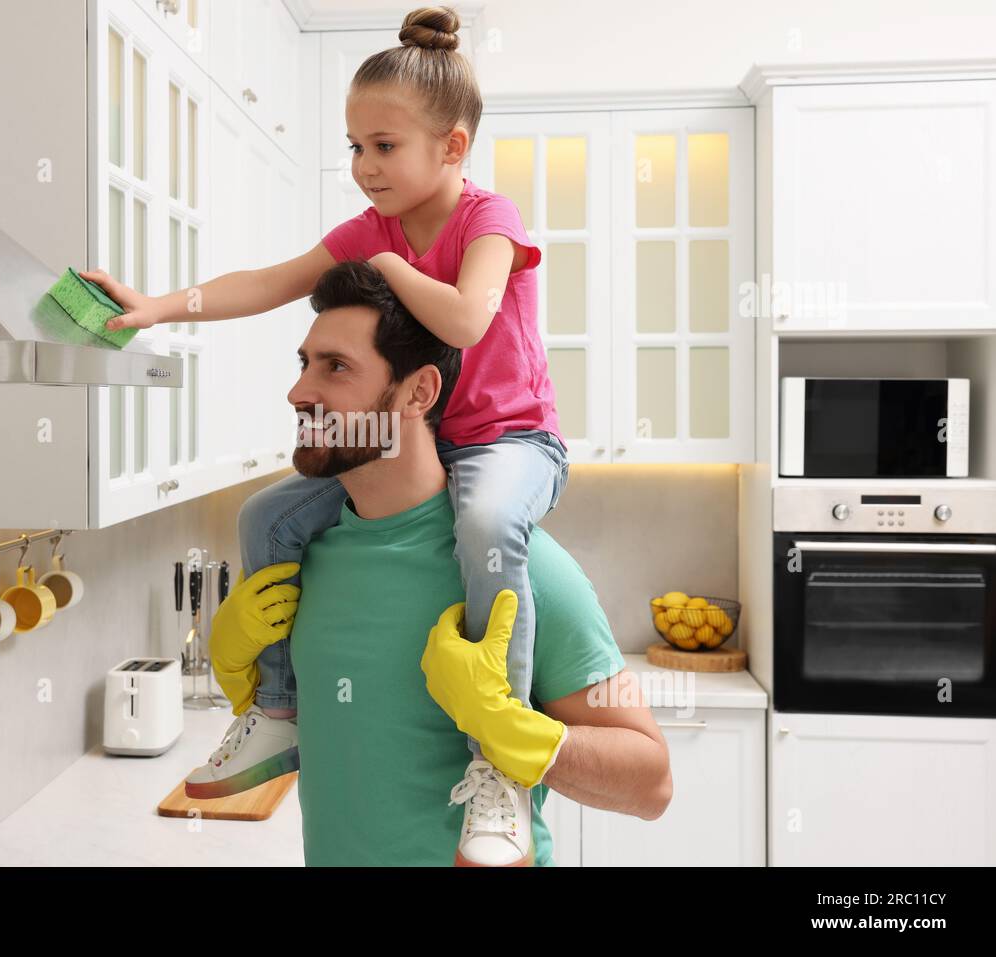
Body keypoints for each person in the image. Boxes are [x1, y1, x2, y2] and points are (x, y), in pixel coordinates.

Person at [78, 5, 568, 864]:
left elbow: (463, 321)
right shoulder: (369, 229)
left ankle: (501, 769)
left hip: (510, 441)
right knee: (266, 518)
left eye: (384, 146)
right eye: (353, 146)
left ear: (452, 148)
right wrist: (158, 307)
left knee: (489, 527)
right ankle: (277, 710)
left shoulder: (485, 219)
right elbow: (268, 282)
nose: (363, 167)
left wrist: (386, 266)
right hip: (434, 439)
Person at [202, 258, 670, 865]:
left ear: (418, 392)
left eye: (336, 367)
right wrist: (252, 689)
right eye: (305, 363)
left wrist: (522, 736)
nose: (299, 393)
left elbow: (650, 784)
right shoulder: (295, 558)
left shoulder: (516, 569)